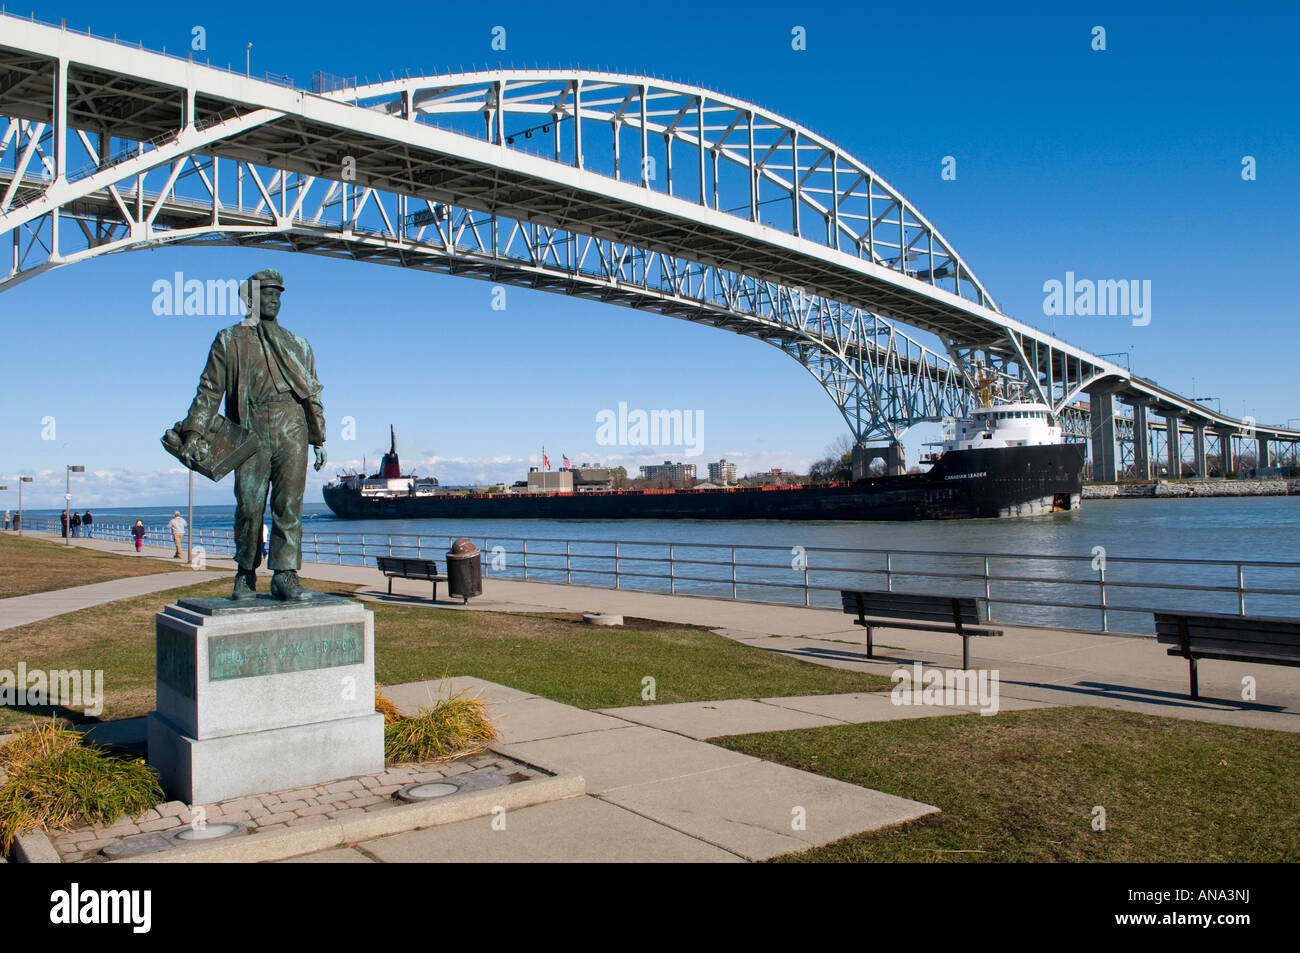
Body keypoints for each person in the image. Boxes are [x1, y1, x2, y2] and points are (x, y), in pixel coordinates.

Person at [178, 268, 326, 600]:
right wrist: (193, 431)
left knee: (289, 505)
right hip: (252, 428)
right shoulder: (229, 339)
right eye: (267, 293)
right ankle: (246, 571)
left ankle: (285, 574)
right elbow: (209, 390)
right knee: (249, 505)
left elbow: (312, 393)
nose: (274, 298)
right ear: (250, 299)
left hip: (293, 427)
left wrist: (318, 438)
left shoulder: (299, 345)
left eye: (278, 293)